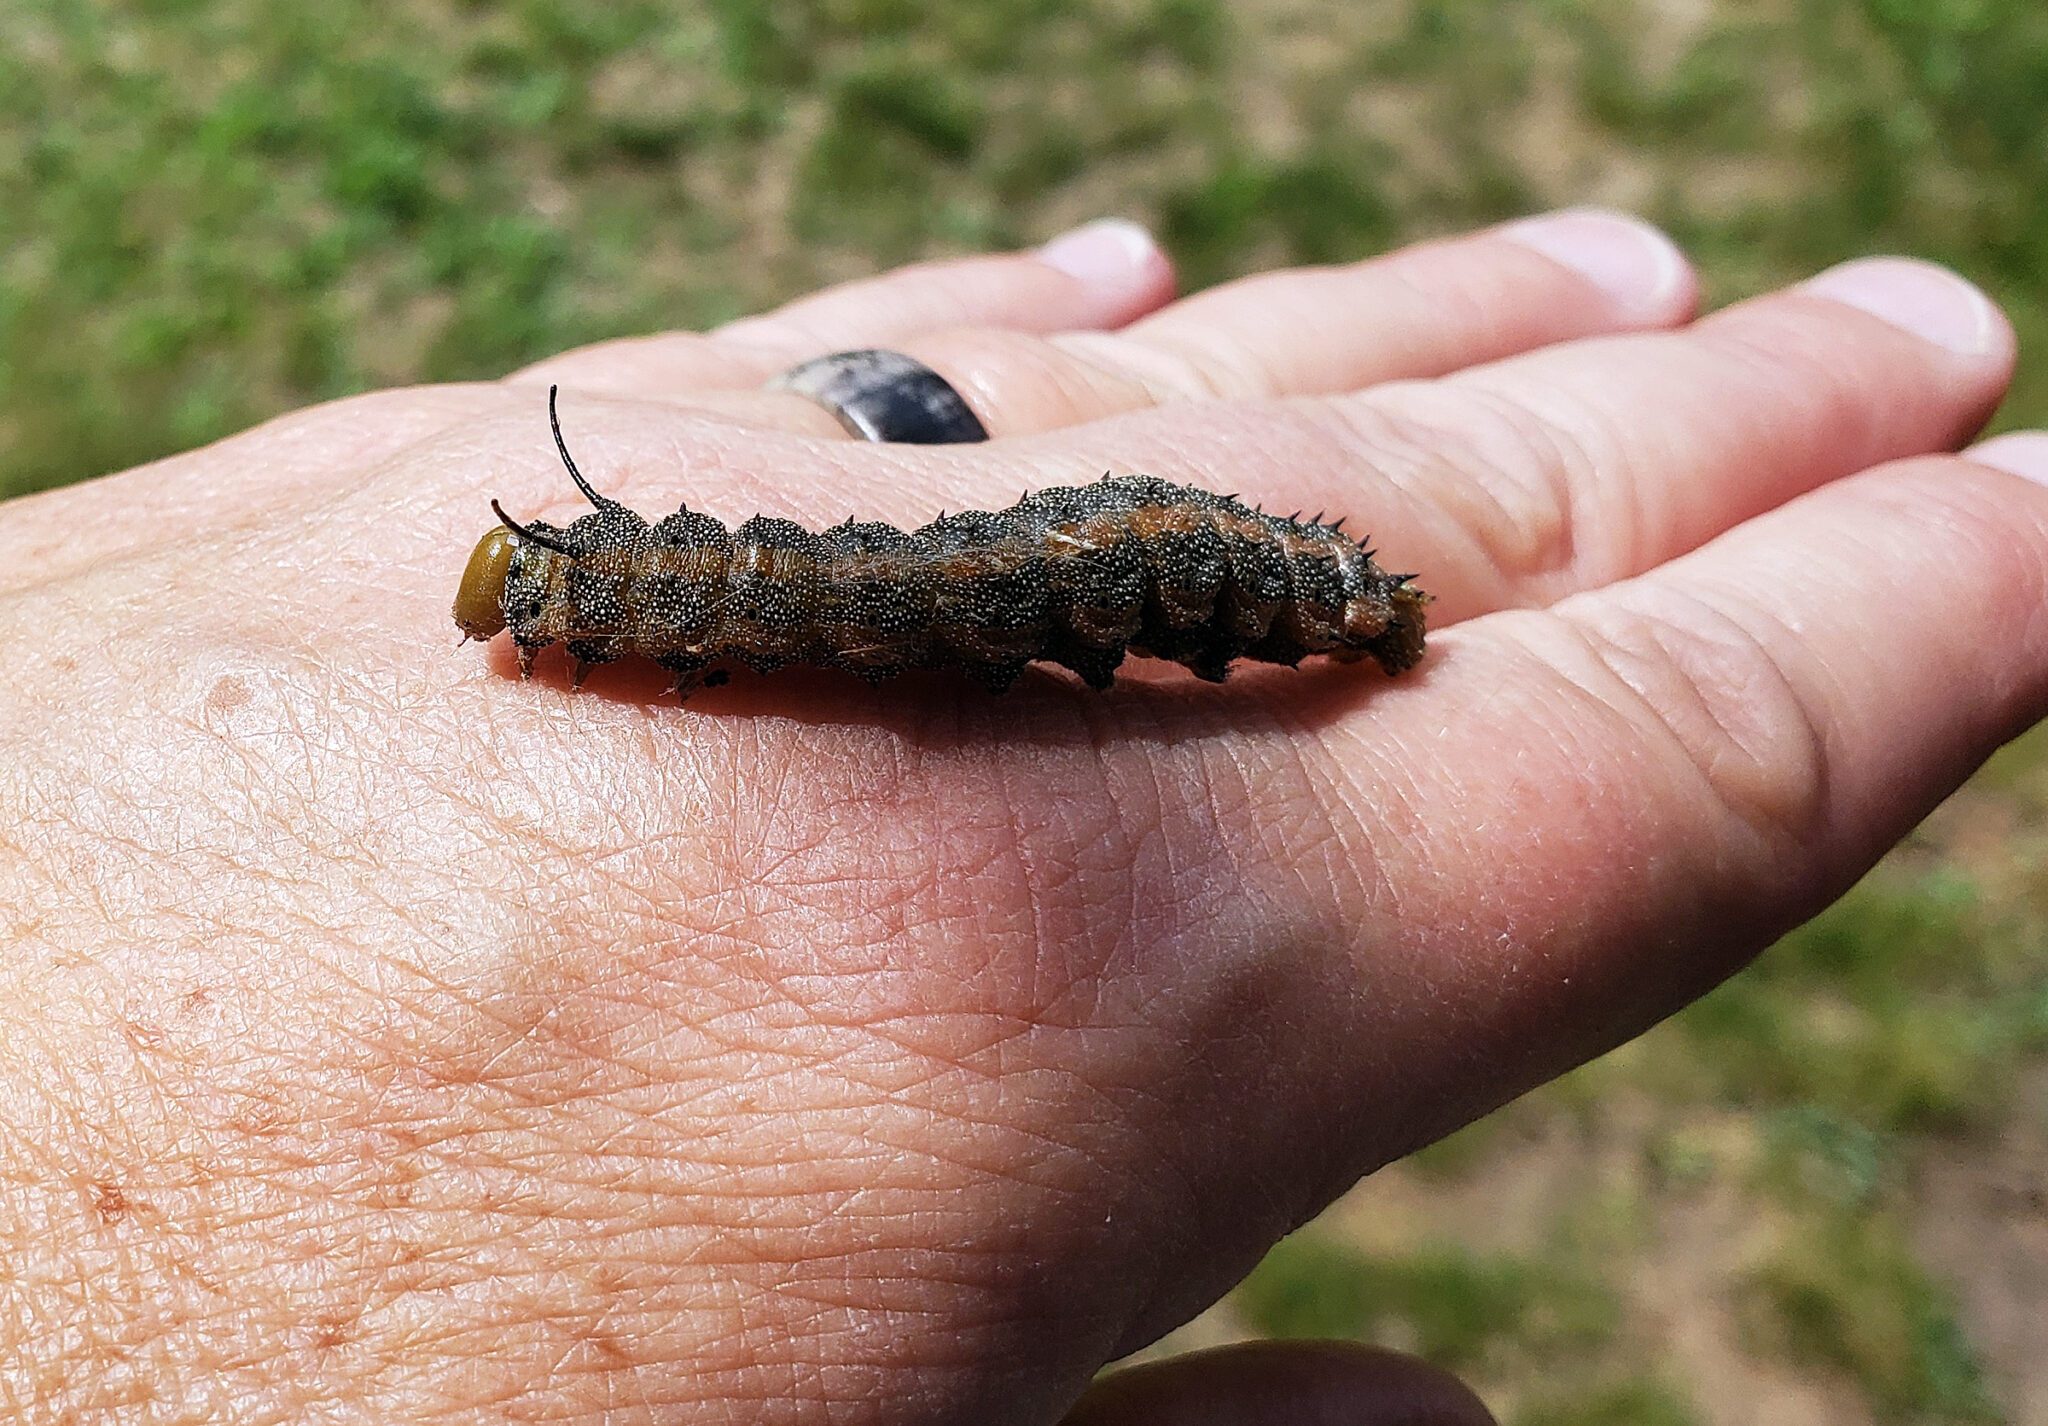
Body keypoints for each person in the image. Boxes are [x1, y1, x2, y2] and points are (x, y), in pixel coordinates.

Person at [1, 208, 2038, 1424]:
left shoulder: (775, 602)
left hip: (1188, 579)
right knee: (962, 586)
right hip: (1150, 574)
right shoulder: (729, 603)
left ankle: (1303, 595)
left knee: (974, 585)